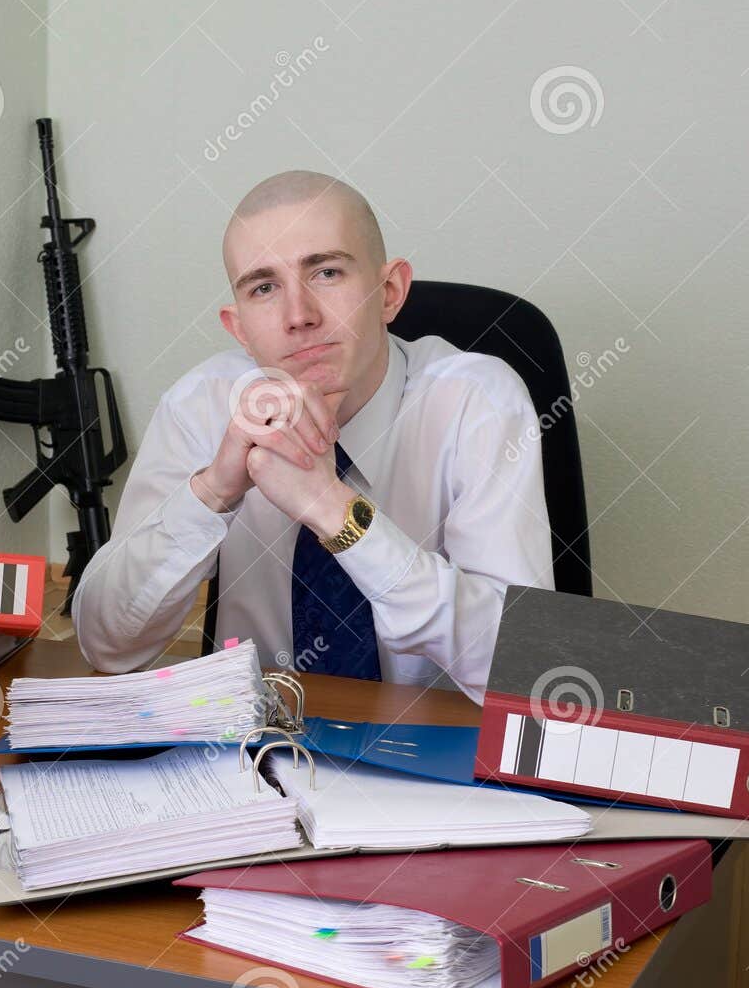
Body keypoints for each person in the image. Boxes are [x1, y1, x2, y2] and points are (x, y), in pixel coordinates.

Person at [71, 170, 554, 702]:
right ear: (239, 329)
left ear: (389, 292)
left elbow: (523, 672)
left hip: (436, 758)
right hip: (252, 759)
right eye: (264, 287)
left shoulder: (478, 402)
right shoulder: (201, 405)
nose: (298, 316)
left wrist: (334, 510)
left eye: (325, 272)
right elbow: (106, 646)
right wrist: (213, 492)